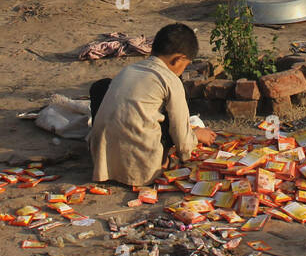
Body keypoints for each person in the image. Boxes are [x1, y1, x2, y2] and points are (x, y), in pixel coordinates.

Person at [88, 23, 216, 187]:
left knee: (102, 86)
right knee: (171, 116)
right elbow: (183, 145)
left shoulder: (128, 70)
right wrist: (195, 136)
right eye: (185, 66)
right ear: (179, 59)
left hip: (101, 164)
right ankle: (160, 162)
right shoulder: (171, 80)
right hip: (141, 171)